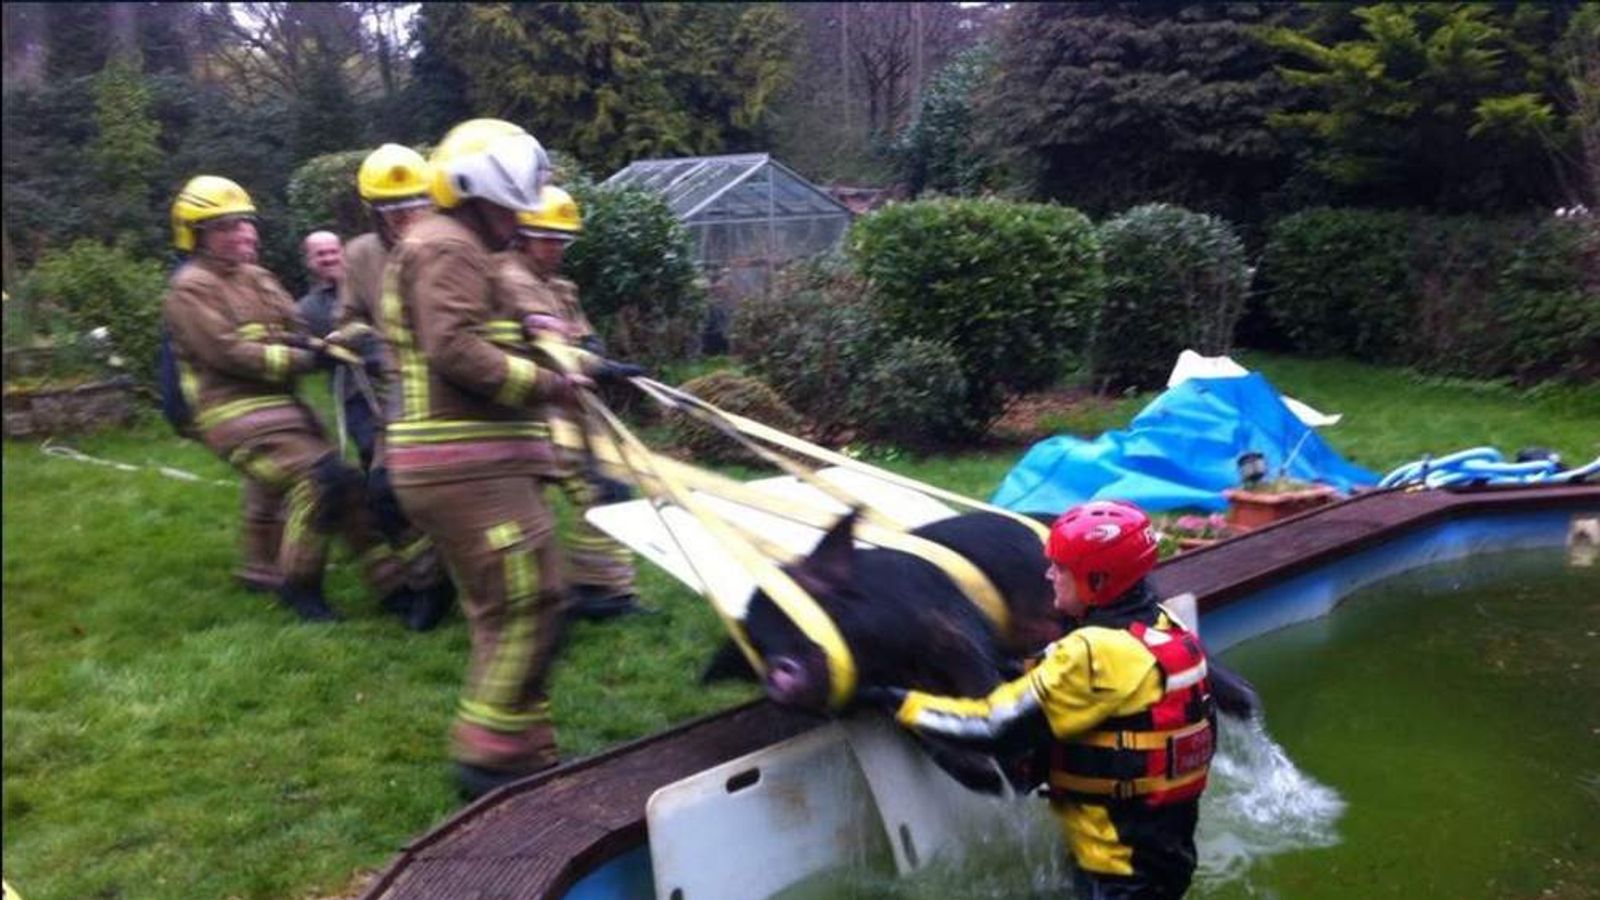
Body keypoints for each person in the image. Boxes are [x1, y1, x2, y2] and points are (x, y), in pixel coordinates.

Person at [378, 119, 590, 797]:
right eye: (513, 204)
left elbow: (496, 311)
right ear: (477, 191)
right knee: (532, 598)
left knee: (509, 603)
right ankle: (490, 754)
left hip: (473, 463)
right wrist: (545, 382)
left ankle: (523, 747)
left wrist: (540, 328)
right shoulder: (448, 245)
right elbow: (454, 346)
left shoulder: (461, 244)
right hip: (463, 465)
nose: (522, 219)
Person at [867, 500, 1218, 899]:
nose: (1048, 575)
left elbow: (992, 729)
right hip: (1164, 852)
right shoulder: (1166, 631)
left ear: (1097, 581)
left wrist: (900, 702)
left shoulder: (1093, 654)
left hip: (1115, 869)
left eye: (1061, 568)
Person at [162, 174, 410, 622]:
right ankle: (299, 584)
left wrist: (346, 344)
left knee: (348, 483)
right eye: (226, 226)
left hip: (284, 409)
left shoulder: (259, 278)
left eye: (245, 223)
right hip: (229, 413)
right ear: (196, 236)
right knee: (319, 480)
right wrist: (309, 361)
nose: (244, 233)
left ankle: (394, 587)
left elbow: (300, 329)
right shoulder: (190, 288)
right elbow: (230, 353)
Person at [328, 143, 454, 631]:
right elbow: (346, 319)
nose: (407, 217)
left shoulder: (451, 243)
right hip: (402, 390)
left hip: (464, 384)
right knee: (386, 490)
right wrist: (368, 345)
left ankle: (499, 586)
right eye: (394, 209)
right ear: (374, 212)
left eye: (416, 204)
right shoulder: (359, 256)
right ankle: (429, 583)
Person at [508, 185, 644, 621]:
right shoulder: (512, 280)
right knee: (603, 490)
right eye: (548, 239)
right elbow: (548, 344)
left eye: (562, 241)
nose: (557, 250)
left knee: (606, 490)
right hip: (536, 413)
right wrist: (599, 366)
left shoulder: (554, 286)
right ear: (523, 235)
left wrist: (594, 349)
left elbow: (578, 334)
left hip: (566, 410)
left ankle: (597, 588)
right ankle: (593, 592)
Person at [296, 230, 344, 339]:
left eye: (334, 252)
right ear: (308, 261)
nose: (329, 259)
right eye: (320, 254)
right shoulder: (305, 310)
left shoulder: (368, 288)